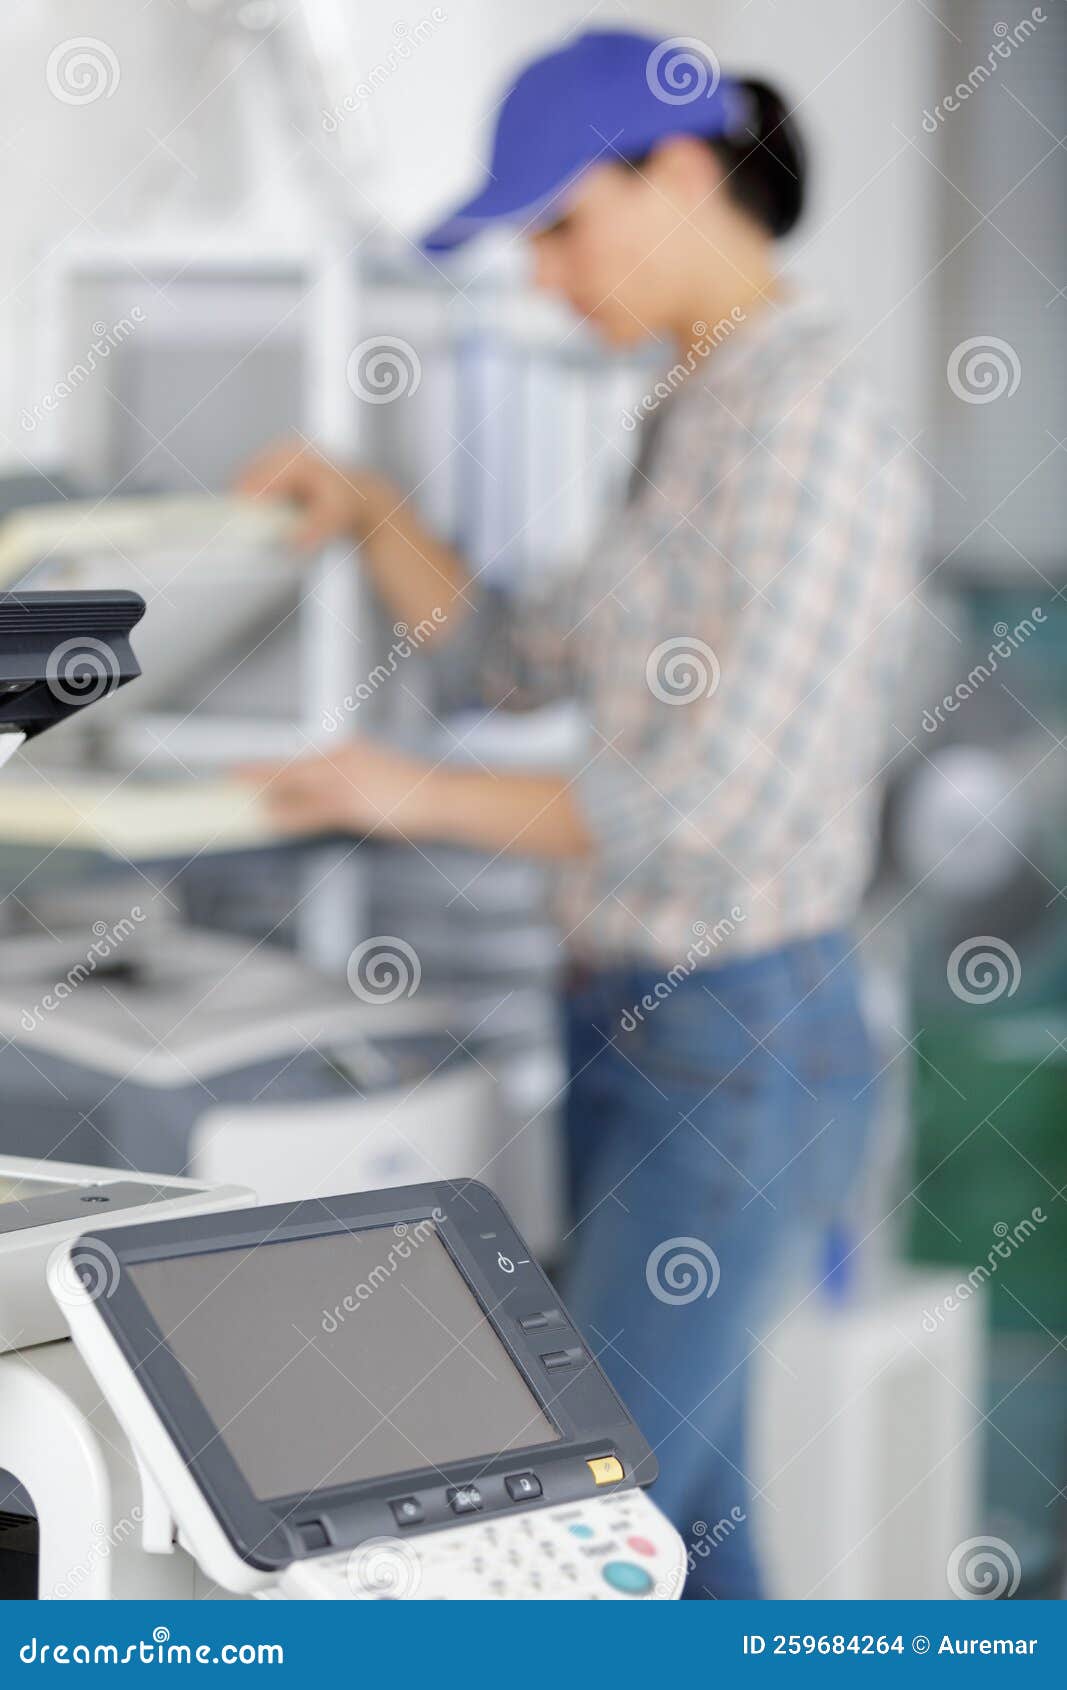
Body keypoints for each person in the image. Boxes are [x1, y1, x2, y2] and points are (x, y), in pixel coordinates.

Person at [237, 29, 922, 1597]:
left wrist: (398, 795)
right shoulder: (688, 417)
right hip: (635, 1029)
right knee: (684, 1539)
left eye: (559, 224)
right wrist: (375, 514)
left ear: (675, 170)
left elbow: (720, 802)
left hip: (739, 1042)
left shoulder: (808, 425)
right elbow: (504, 658)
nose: (545, 279)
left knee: (570, 1545)